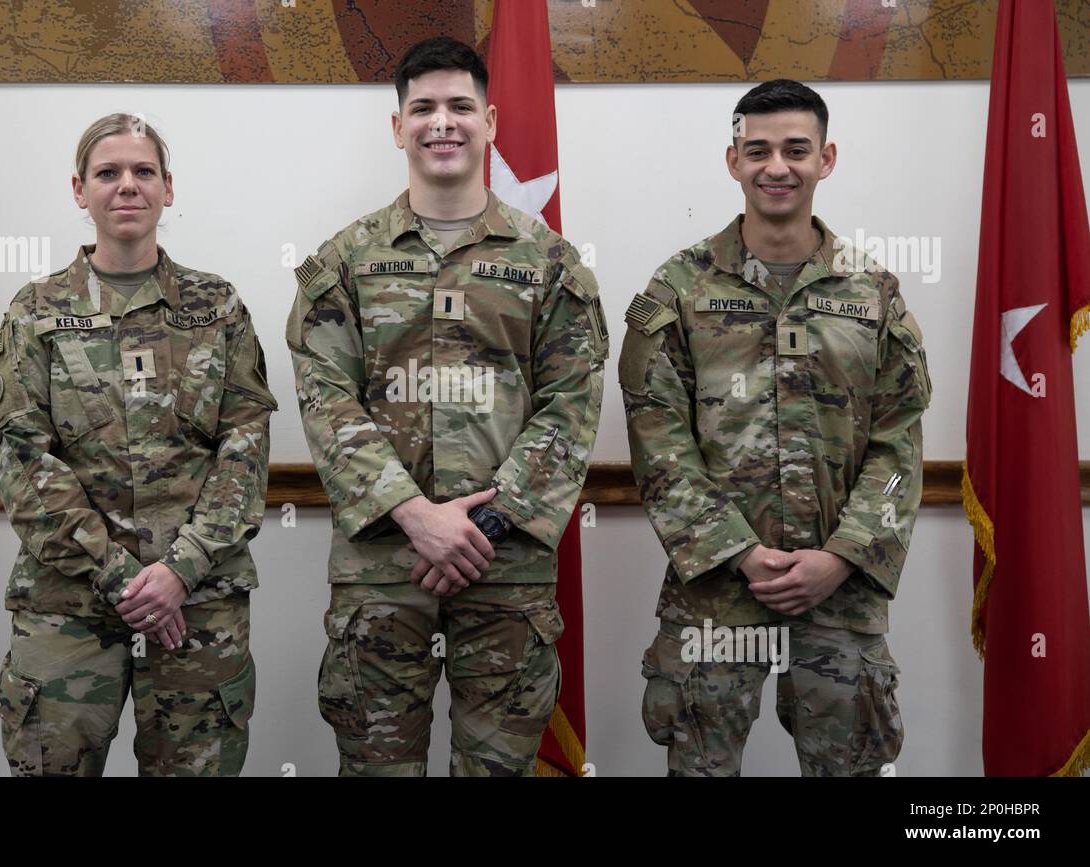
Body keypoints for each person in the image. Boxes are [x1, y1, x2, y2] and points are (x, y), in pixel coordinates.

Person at [286, 37, 607, 776]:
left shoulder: (549, 263)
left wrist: (484, 523)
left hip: (505, 565)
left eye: (460, 106)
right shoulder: (345, 261)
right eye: (423, 107)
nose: (443, 122)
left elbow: (572, 402)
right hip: (382, 570)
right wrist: (415, 513)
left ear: (491, 121)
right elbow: (326, 399)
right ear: (397, 127)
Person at [618, 80, 931, 776]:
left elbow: (898, 438)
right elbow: (656, 435)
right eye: (757, 150)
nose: (776, 167)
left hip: (839, 593)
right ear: (733, 161)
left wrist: (843, 554)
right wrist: (740, 552)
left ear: (827, 158)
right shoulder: (678, 288)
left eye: (796, 149)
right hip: (717, 590)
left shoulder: (873, 292)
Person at [0, 113, 276, 776]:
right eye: (107, 172)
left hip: (198, 602)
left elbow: (245, 449)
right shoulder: (35, 311)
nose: (127, 186)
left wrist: (179, 570)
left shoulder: (218, 307)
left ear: (168, 189)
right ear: (79, 190)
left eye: (144, 171)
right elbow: (21, 458)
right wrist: (121, 578)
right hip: (69, 604)